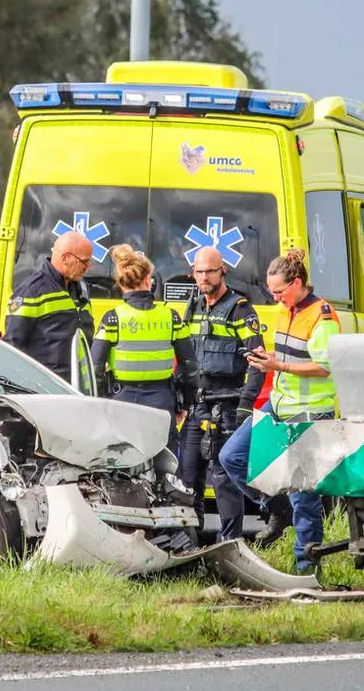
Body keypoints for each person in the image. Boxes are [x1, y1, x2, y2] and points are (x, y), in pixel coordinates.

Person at [217, 248, 341, 573]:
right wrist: (265, 356)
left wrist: (279, 363)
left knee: (305, 494)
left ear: (297, 283)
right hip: (280, 403)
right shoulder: (286, 310)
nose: (275, 299)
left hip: (310, 411)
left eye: (279, 292)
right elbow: (288, 352)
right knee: (232, 456)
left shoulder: (322, 316)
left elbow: (325, 367)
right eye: (271, 293)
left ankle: (307, 568)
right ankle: (276, 507)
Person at [91, 244, 197, 483]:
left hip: (122, 402)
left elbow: (95, 366)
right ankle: (174, 510)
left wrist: (99, 401)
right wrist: (184, 401)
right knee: (169, 466)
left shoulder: (112, 319)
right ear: (149, 281)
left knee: (120, 465)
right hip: (161, 401)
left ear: (122, 283)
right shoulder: (170, 317)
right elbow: (190, 365)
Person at [178, 246, 264, 541]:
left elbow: (257, 362)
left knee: (224, 480)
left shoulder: (240, 308)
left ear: (222, 271)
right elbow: (185, 358)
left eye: (209, 271)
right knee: (187, 479)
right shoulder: (193, 306)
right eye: (198, 272)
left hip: (226, 407)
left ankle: (229, 546)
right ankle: (188, 547)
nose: (203, 277)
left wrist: (245, 405)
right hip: (196, 407)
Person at [4, 231, 94, 382]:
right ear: (65, 258)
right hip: (46, 387)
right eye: (84, 262)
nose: (88, 268)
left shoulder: (80, 288)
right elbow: (13, 345)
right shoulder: (32, 291)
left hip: (78, 386)